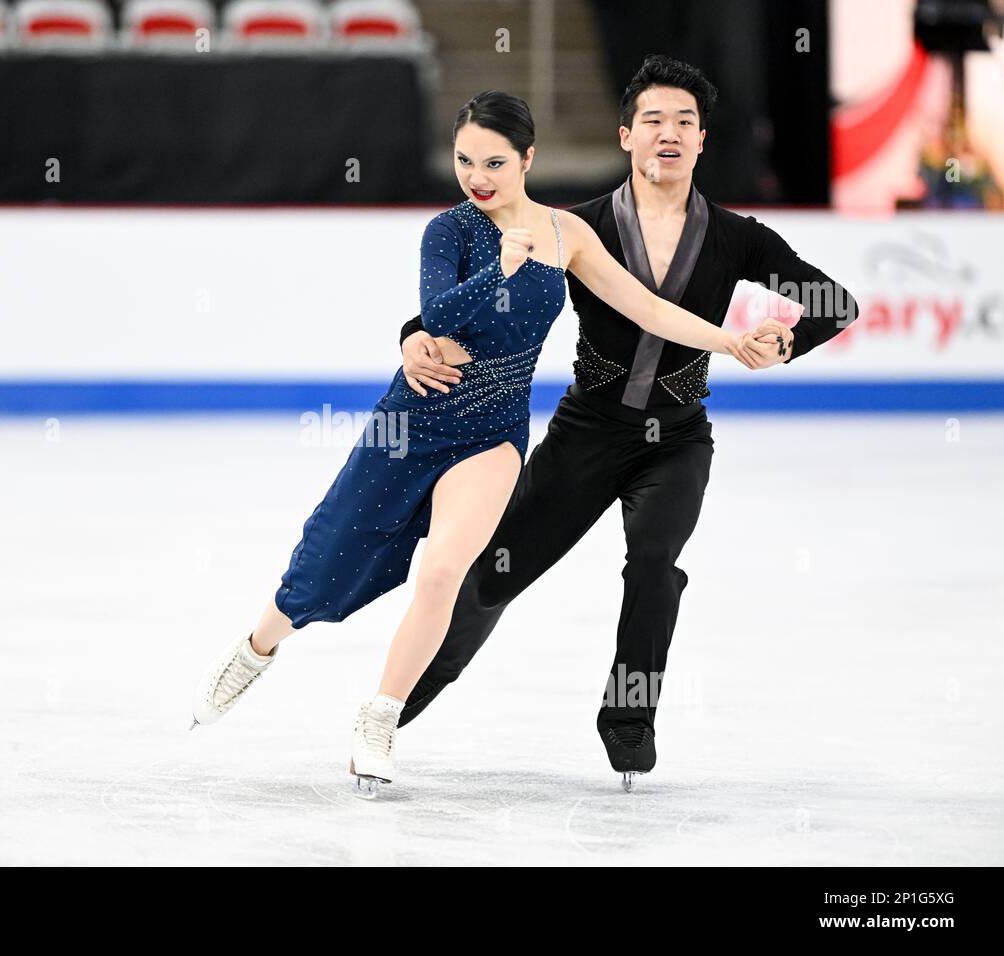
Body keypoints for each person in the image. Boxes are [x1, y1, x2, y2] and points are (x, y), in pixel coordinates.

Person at [189, 89, 766, 798]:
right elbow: (439, 311)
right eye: (465, 161)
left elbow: (646, 306)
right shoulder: (448, 230)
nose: (478, 177)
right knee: (325, 563)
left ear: (528, 158)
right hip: (416, 417)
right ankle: (259, 646)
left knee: (443, 576)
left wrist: (731, 341)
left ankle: (380, 717)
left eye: (494, 161)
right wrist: (500, 272)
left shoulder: (566, 234)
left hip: (492, 434)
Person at [394, 56, 861, 791]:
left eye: (683, 123)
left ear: (703, 141)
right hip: (587, 432)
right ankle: (399, 701)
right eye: (653, 121)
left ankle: (628, 716)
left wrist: (785, 341)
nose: (668, 134)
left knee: (654, 565)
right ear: (626, 136)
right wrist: (413, 332)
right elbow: (469, 306)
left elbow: (835, 302)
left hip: (676, 440)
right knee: (492, 574)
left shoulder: (739, 238)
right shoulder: (575, 227)